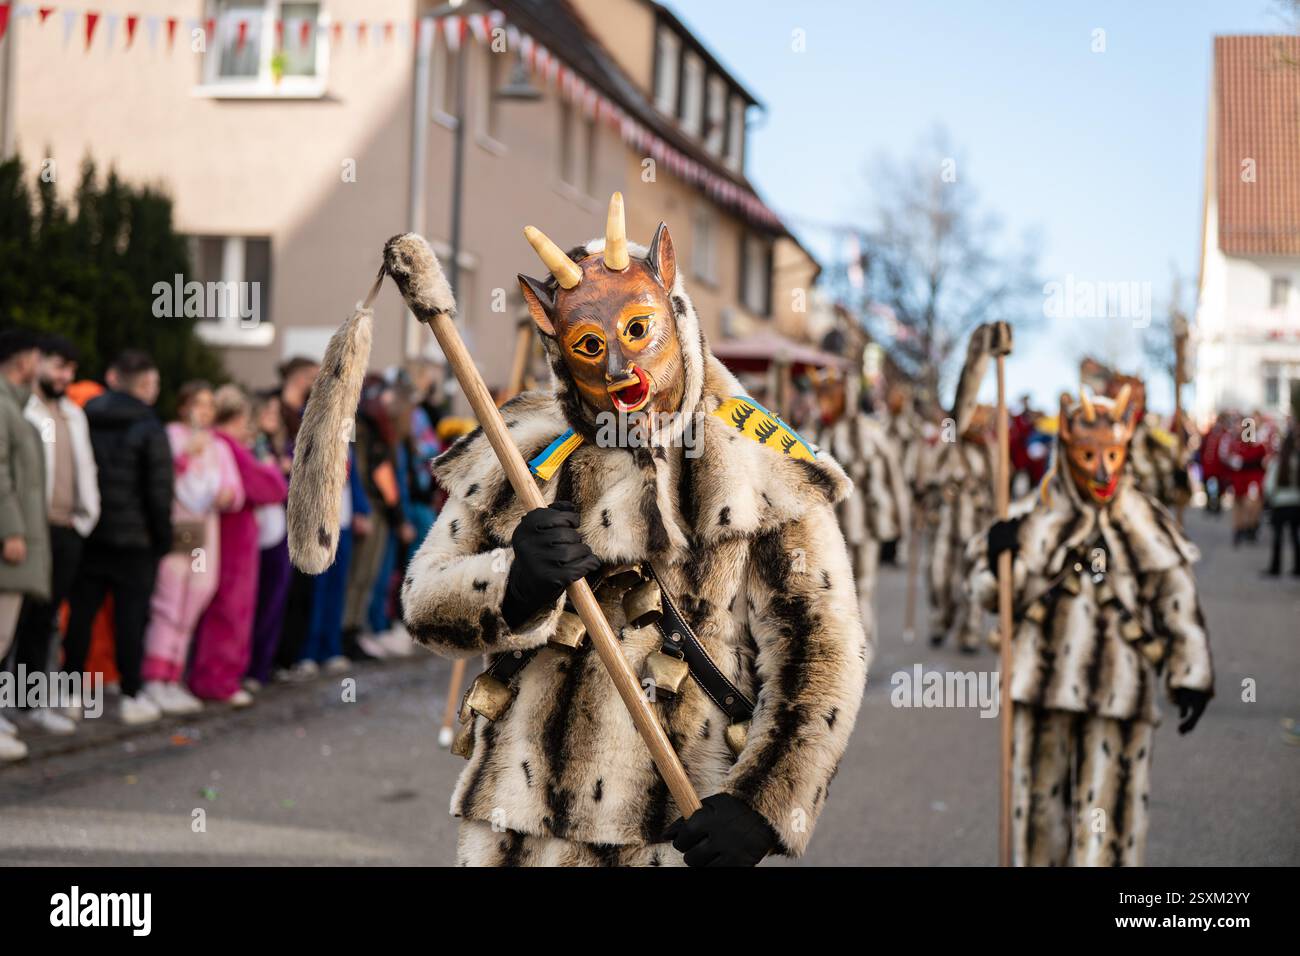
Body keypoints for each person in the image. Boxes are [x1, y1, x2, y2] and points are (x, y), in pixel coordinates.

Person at [291, 195, 868, 866]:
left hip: (675, 829)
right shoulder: (520, 451)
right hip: (520, 828)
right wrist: (512, 587)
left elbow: (822, 655)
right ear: (556, 343)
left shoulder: (766, 466)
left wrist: (764, 804)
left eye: (638, 329)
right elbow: (422, 600)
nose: (620, 368)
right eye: (590, 345)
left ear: (675, 317)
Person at [971, 385, 1213, 865]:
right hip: (1041, 685)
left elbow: (1176, 597)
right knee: (1039, 815)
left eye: (1112, 454)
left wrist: (1190, 672)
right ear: (1066, 450)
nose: (1102, 469)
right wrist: (1001, 555)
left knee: (1108, 820)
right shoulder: (1029, 515)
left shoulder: (1146, 519)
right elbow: (987, 595)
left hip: (1119, 687)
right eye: (1088, 454)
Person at [64, 350, 173, 726]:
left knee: (81, 616)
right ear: (144, 384)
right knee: (131, 620)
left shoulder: (82, 417)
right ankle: (130, 694)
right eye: (155, 383)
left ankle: (70, 694)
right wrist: (162, 538)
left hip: (89, 533)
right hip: (135, 541)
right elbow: (159, 490)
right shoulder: (148, 425)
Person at [10, 335, 101, 738]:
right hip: (30, 530)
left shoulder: (73, 413)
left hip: (67, 529)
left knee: (46, 620)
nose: (65, 376)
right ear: (36, 363)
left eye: (71, 370)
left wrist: (85, 518)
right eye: (58, 366)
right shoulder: (21, 409)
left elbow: (85, 469)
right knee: (14, 619)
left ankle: (30, 705)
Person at [140, 381, 242, 714]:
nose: (204, 411)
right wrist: (186, 456)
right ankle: (154, 676)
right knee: (169, 600)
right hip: (176, 531)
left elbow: (234, 489)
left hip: (204, 537)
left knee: (196, 595)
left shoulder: (220, 447)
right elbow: (160, 477)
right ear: (183, 407)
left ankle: (173, 675)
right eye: (198, 404)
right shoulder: (171, 436)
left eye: (210, 405)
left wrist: (227, 495)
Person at [187, 386, 287, 705]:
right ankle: (217, 679)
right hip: (231, 535)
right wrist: (272, 470)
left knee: (236, 606)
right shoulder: (228, 446)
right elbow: (269, 486)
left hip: (237, 534)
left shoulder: (227, 445)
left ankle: (224, 675)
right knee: (229, 607)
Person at [925, 328, 997, 652]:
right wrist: (927, 494)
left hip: (977, 526)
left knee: (973, 580)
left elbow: (999, 488)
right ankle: (943, 616)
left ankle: (970, 631)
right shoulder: (949, 443)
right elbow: (927, 474)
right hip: (946, 523)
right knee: (940, 577)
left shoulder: (990, 452)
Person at [0, 329, 51, 761]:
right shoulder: (3, 407)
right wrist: (11, 530)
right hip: (9, 542)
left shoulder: (15, 408)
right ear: (24, 360)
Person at [246, 390, 293, 689]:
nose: (273, 420)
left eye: (276, 414)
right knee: (253, 601)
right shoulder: (251, 448)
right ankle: (247, 666)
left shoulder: (281, 448)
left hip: (279, 531)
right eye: (267, 414)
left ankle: (263, 665)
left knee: (274, 600)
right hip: (254, 532)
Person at [1263, 417, 1300, 577]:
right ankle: (1297, 566)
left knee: (1278, 537)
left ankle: (1275, 567)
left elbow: (1269, 486)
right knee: (1294, 537)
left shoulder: (1278, 462)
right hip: (1296, 502)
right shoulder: (1297, 462)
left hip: (1280, 503)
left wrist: (1271, 499)